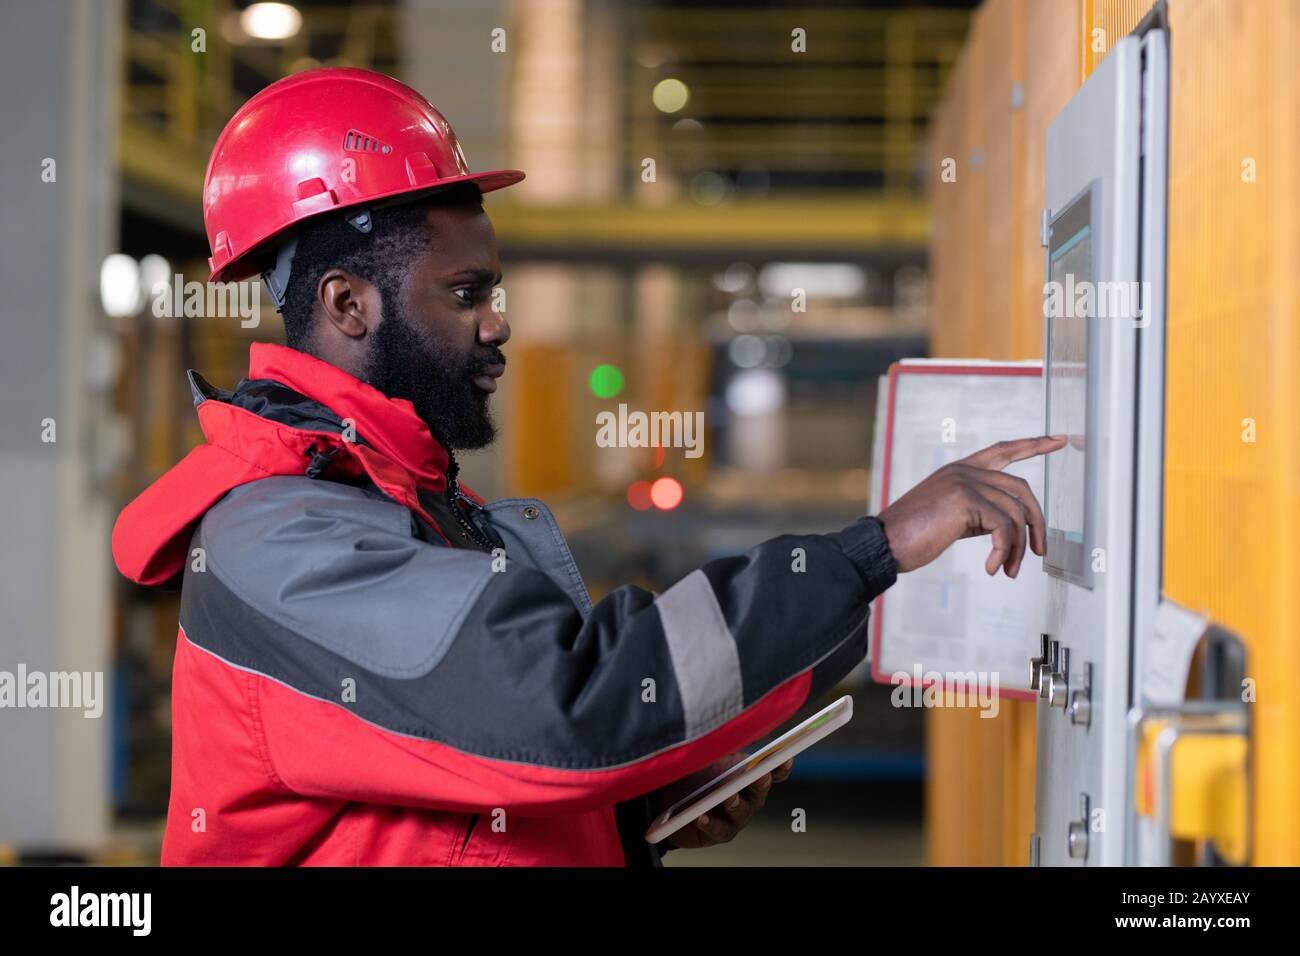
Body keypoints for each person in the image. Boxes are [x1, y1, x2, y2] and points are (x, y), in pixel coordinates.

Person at [112, 68, 1064, 866]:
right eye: (466, 293)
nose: (499, 322)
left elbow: (451, 779)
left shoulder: (405, 503)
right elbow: (564, 704)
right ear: (348, 303)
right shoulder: (284, 543)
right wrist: (875, 549)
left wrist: (626, 813)